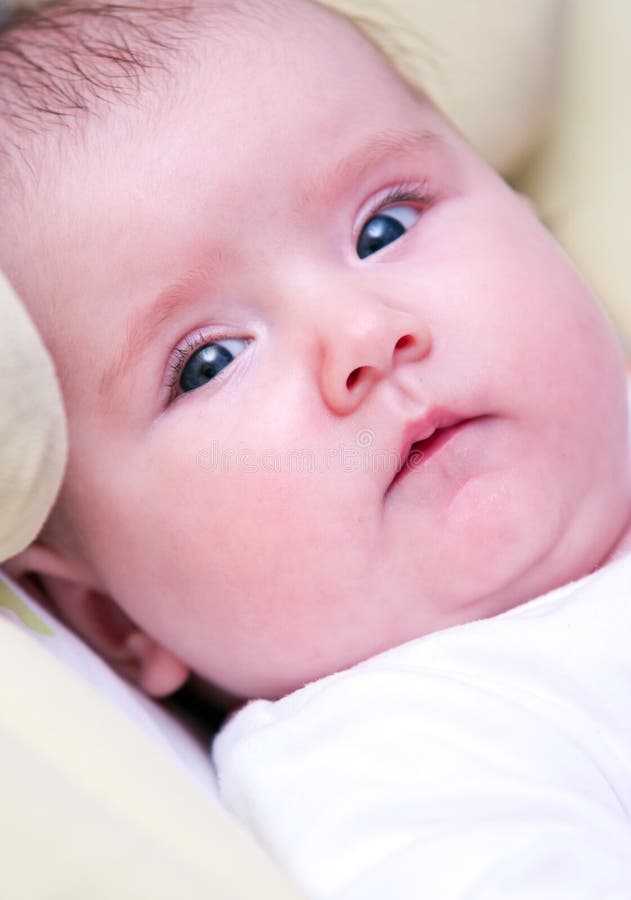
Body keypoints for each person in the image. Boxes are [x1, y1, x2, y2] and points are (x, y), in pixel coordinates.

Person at [1, 0, 631, 894]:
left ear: (529, 217)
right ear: (114, 623)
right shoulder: (406, 755)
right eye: (209, 363)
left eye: (386, 226)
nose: (364, 337)